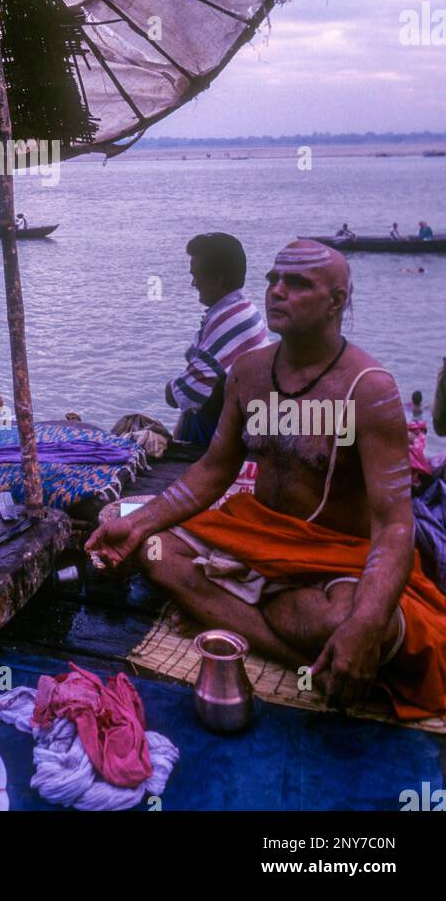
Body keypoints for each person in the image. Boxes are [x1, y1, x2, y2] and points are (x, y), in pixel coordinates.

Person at [87, 239, 446, 720]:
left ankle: (250, 620)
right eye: (273, 280)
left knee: (348, 622)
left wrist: (364, 620)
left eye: (297, 283)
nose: (277, 291)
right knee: (149, 547)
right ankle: (299, 652)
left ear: (336, 301)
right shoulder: (249, 372)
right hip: (253, 535)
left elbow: (395, 526)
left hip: (335, 555)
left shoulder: (370, 390)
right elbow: (213, 471)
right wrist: (137, 525)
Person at [165, 233, 268, 448]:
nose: (193, 283)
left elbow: (184, 395)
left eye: (196, 276)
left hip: (229, 437)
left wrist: (171, 389)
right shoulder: (245, 309)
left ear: (218, 279)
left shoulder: (228, 320)